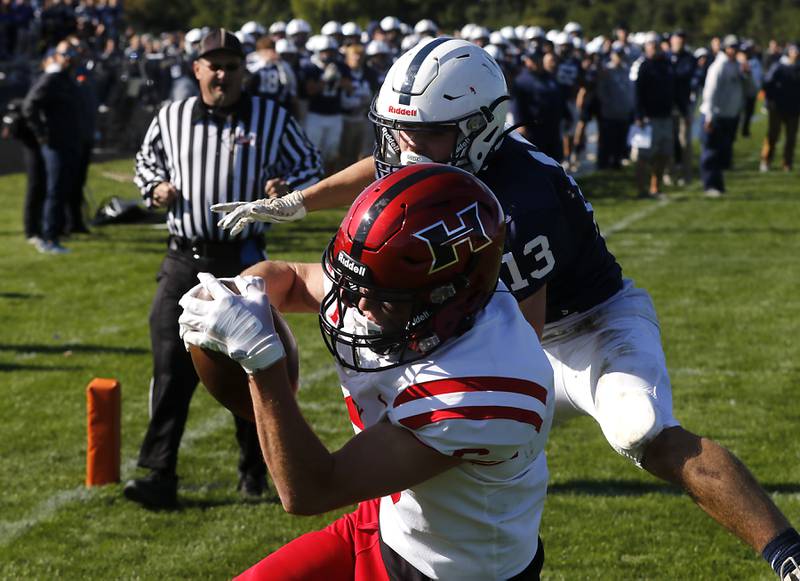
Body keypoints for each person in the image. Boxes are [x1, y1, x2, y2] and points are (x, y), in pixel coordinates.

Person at [212, 37, 800, 580]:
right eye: (397, 131)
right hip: (480, 312)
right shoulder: (434, 151)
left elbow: (519, 335)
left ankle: (786, 551)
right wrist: (299, 203)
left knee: (640, 430)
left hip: (585, 323)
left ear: (480, 130)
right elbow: (389, 166)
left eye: (427, 135)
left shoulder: (521, 202)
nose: (405, 149)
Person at [184, 163, 555, 579]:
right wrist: (238, 295)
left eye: (385, 299)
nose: (360, 307)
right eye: (355, 287)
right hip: (382, 525)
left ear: (451, 296)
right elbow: (291, 278)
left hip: (454, 568)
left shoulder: (490, 388)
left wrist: (261, 360)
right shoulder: (389, 292)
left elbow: (309, 490)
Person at [125, 28, 322, 509]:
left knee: (246, 367)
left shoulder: (270, 116)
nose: (221, 74)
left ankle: (258, 469)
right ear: (196, 70)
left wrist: (286, 188)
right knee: (171, 367)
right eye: (212, 65)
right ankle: (158, 472)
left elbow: (311, 166)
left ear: (242, 72)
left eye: (231, 66)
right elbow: (145, 162)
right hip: (182, 258)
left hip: (242, 260)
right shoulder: (170, 116)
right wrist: (156, 189)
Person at [22, 40, 84, 254]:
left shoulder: (67, 79)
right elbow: (29, 106)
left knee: (63, 189)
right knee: (54, 190)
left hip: (67, 141)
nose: (70, 57)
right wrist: (41, 134)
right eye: (65, 54)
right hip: (54, 143)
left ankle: (55, 233)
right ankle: (48, 237)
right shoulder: (52, 78)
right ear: (56, 56)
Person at [699, 34, 753, 197]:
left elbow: (751, 90)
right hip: (716, 116)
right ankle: (710, 185)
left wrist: (747, 74)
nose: (734, 50)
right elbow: (710, 93)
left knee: (722, 154)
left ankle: (718, 185)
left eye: (736, 47)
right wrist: (709, 116)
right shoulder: (718, 66)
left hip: (729, 116)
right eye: (731, 47)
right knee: (711, 153)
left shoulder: (737, 65)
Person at [631, 32, 675, 199]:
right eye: (650, 44)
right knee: (643, 156)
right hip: (648, 118)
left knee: (663, 153)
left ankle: (655, 187)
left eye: (655, 44)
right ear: (646, 47)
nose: (653, 47)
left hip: (665, 116)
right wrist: (638, 116)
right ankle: (641, 190)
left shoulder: (667, 64)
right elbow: (637, 94)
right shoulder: (643, 66)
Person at [760, 42, 800, 172]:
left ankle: (787, 163)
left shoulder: (798, 68)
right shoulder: (779, 67)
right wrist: (770, 100)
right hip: (777, 107)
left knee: (791, 138)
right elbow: (767, 83)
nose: (796, 54)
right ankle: (766, 160)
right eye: (794, 51)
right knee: (773, 135)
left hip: (794, 108)